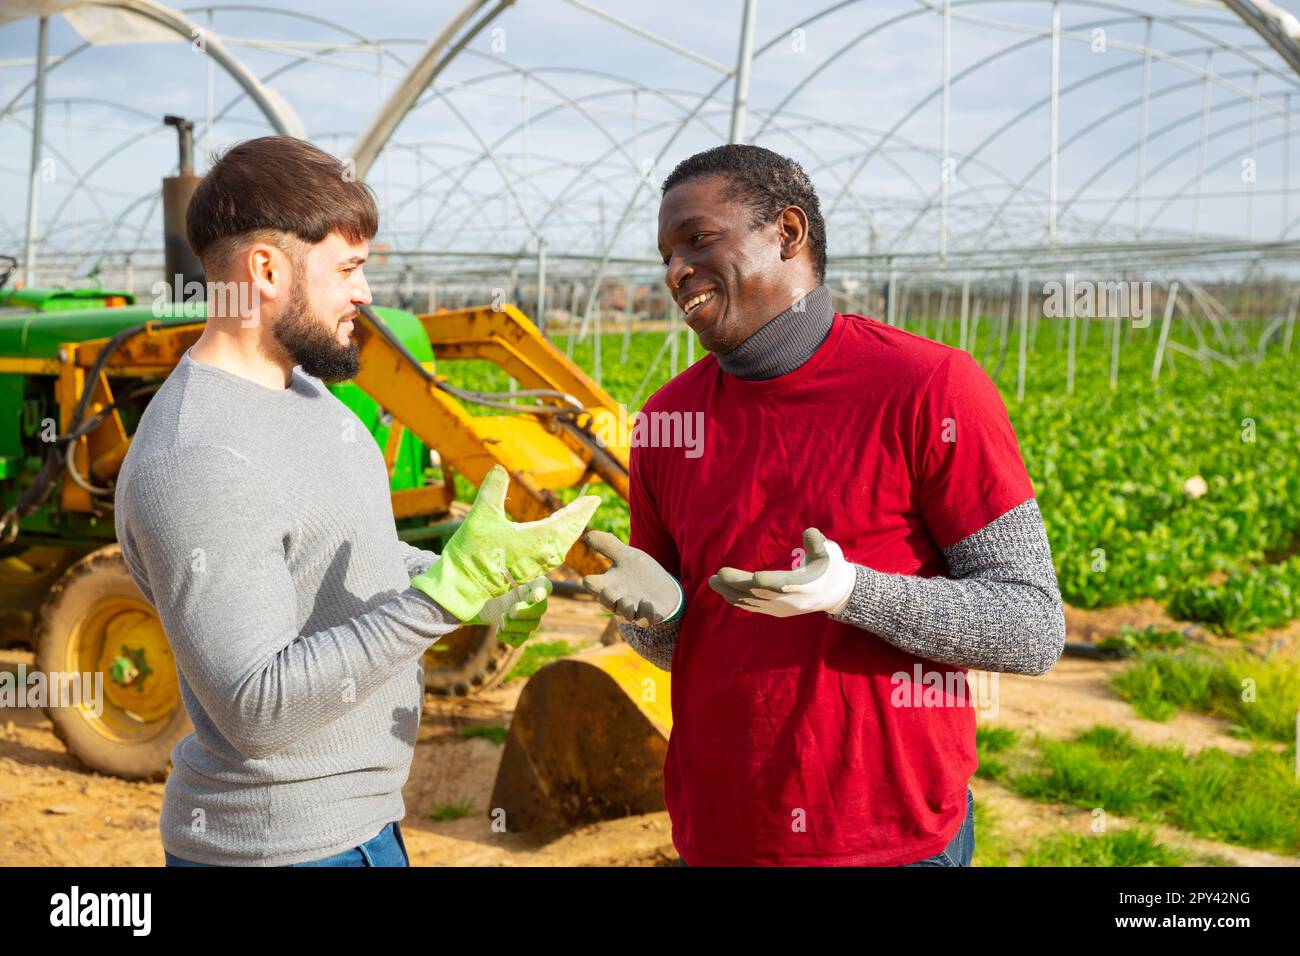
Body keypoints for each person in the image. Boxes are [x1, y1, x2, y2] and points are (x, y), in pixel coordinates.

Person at [115, 135, 597, 867]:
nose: (365, 294)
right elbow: (254, 707)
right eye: (348, 269)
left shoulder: (308, 393)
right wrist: (442, 597)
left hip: (366, 825)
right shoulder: (196, 457)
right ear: (266, 270)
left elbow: (347, 555)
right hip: (278, 849)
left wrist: (481, 587)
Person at [581, 143, 1065, 867]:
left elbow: (1031, 628)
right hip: (721, 832)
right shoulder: (665, 423)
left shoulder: (929, 388)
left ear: (787, 232)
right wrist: (656, 619)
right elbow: (687, 649)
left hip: (889, 839)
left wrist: (851, 593)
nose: (676, 270)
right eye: (665, 255)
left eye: (699, 240)